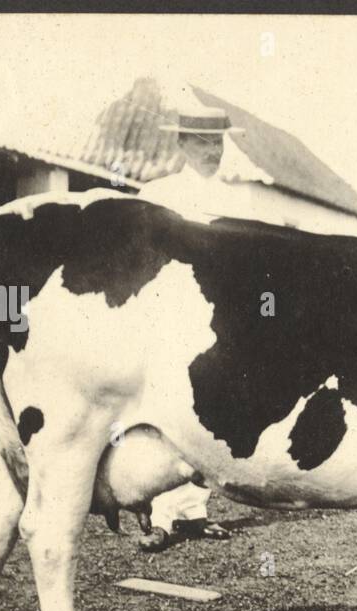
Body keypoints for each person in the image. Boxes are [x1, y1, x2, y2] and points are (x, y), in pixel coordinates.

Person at [130, 107, 236, 551]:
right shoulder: (158, 194)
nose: (211, 151)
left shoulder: (236, 198)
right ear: (182, 144)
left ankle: (194, 511)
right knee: (169, 410)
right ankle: (162, 516)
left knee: (213, 411)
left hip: (220, 316)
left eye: (217, 142)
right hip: (170, 311)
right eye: (201, 142)